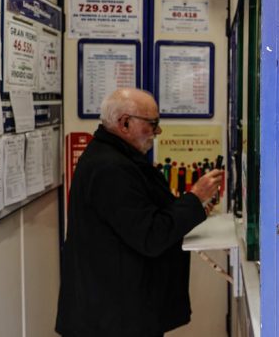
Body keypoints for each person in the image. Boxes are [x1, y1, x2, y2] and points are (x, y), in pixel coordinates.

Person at [56, 88, 223, 337]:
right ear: (124, 123)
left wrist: (195, 204)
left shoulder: (114, 157)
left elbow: (145, 215)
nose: (158, 132)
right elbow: (151, 236)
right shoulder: (111, 168)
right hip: (113, 319)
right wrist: (195, 198)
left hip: (118, 311)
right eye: (152, 124)